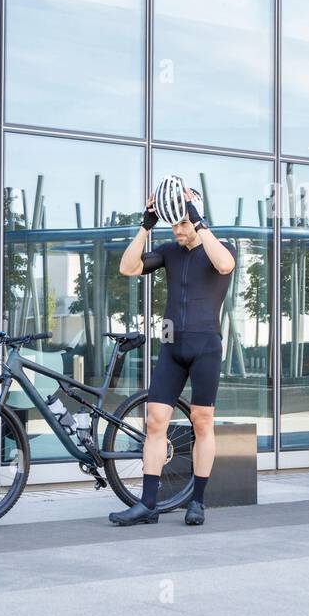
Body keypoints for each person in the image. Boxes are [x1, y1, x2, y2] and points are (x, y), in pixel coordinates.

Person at [112, 176, 236, 526]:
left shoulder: (220, 247)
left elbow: (225, 266)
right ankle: (147, 505)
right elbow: (128, 267)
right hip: (171, 345)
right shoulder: (169, 252)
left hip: (205, 346)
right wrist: (145, 225)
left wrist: (197, 221)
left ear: (194, 218)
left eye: (182, 223)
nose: (177, 231)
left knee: (201, 421)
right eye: (173, 224)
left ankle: (197, 501)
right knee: (155, 422)